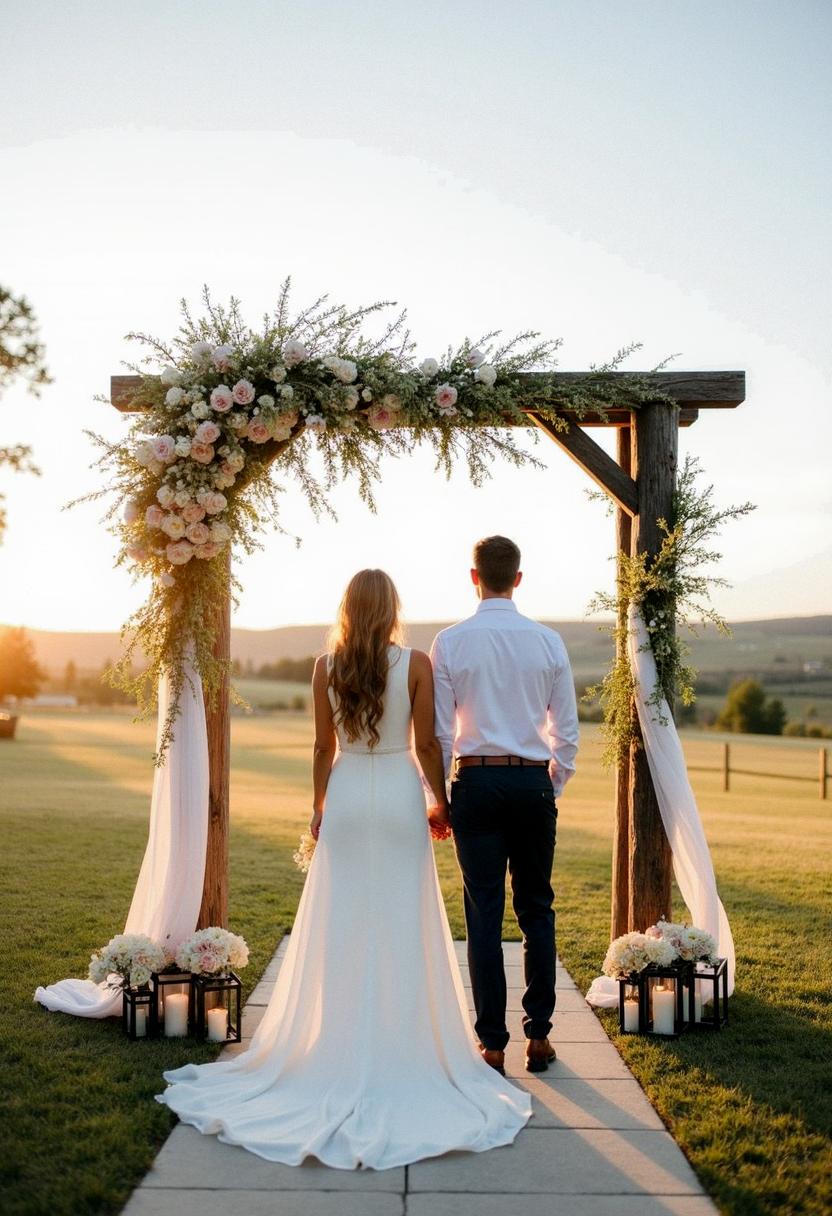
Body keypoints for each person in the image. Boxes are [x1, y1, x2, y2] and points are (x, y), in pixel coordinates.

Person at [157, 568, 531, 1168]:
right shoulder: (413, 664)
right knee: (401, 920)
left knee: (345, 921)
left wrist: (318, 807)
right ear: (391, 609)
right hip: (400, 795)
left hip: (351, 791)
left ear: (348, 608)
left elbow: (321, 747)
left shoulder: (325, 667)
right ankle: (402, 1045)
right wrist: (440, 801)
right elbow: (430, 744)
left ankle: (337, 1044)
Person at [430, 536, 579, 1077]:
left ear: (475, 577)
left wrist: (440, 800)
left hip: (475, 784)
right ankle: (538, 1038)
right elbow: (566, 731)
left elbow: (442, 732)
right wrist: (549, 784)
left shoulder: (450, 642)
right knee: (537, 908)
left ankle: (492, 1045)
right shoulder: (548, 642)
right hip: (532, 785)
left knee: (484, 915)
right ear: (518, 578)